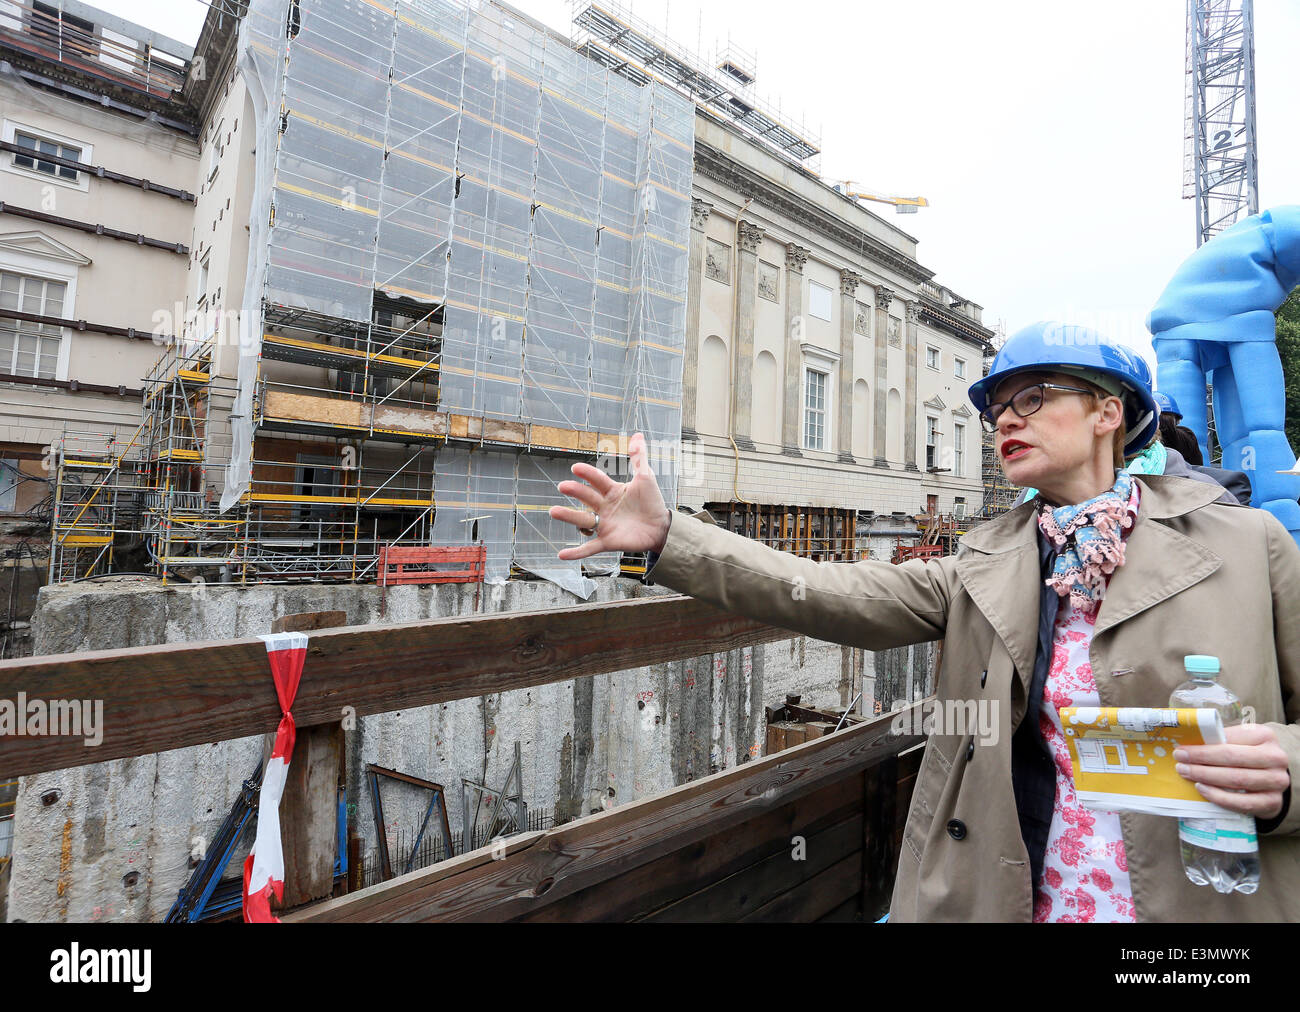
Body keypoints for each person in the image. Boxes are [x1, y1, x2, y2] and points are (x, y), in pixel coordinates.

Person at [549, 321, 1300, 923]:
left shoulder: (1246, 544)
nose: (1006, 417)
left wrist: (1286, 779)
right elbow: (827, 590)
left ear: (1110, 412)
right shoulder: (986, 559)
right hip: (1017, 892)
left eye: (1033, 396)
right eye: (996, 407)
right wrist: (670, 538)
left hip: (1201, 901)